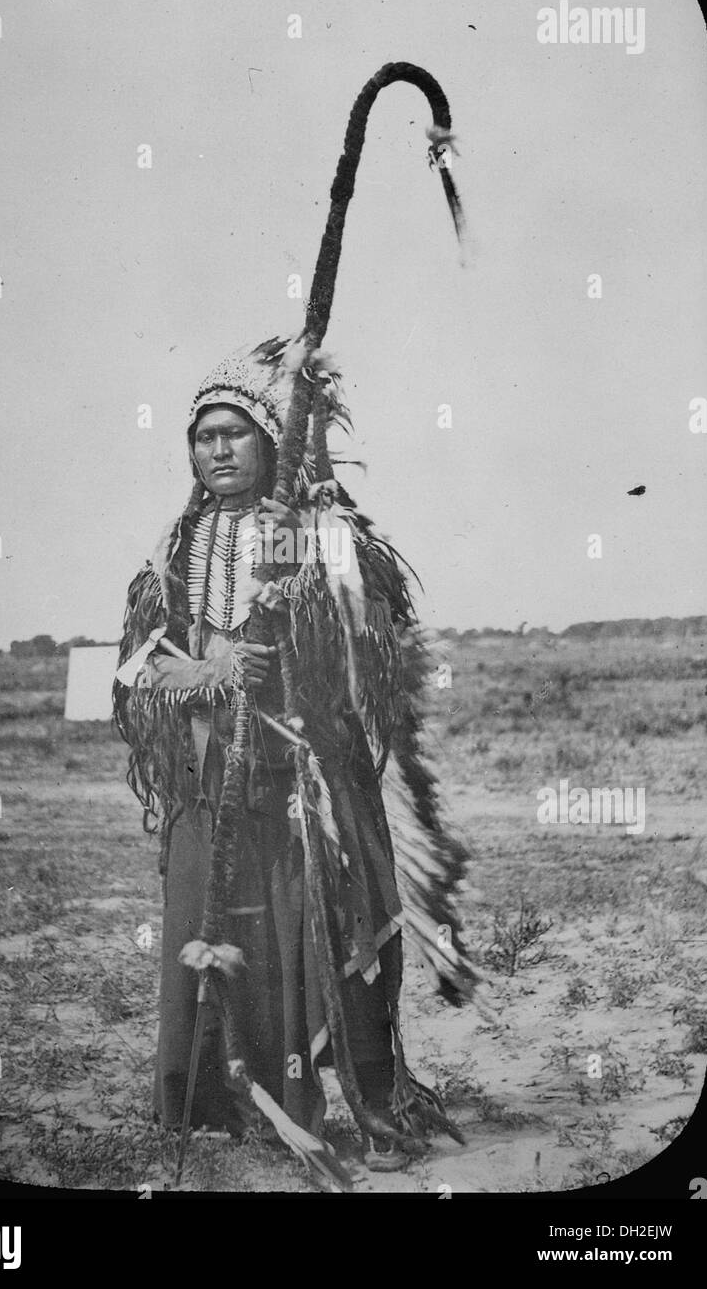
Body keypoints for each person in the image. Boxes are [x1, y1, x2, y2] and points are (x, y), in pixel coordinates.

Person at [114, 339, 470, 1176]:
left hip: (307, 782)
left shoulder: (319, 529)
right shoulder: (174, 546)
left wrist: (303, 591)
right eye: (205, 437)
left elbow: (374, 644)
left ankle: (379, 1113)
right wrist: (210, 670)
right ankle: (217, 1109)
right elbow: (133, 666)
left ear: (271, 442)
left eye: (237, 434)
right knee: (213, 935)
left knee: (335, 940)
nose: (220, 450)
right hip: (211, 782)